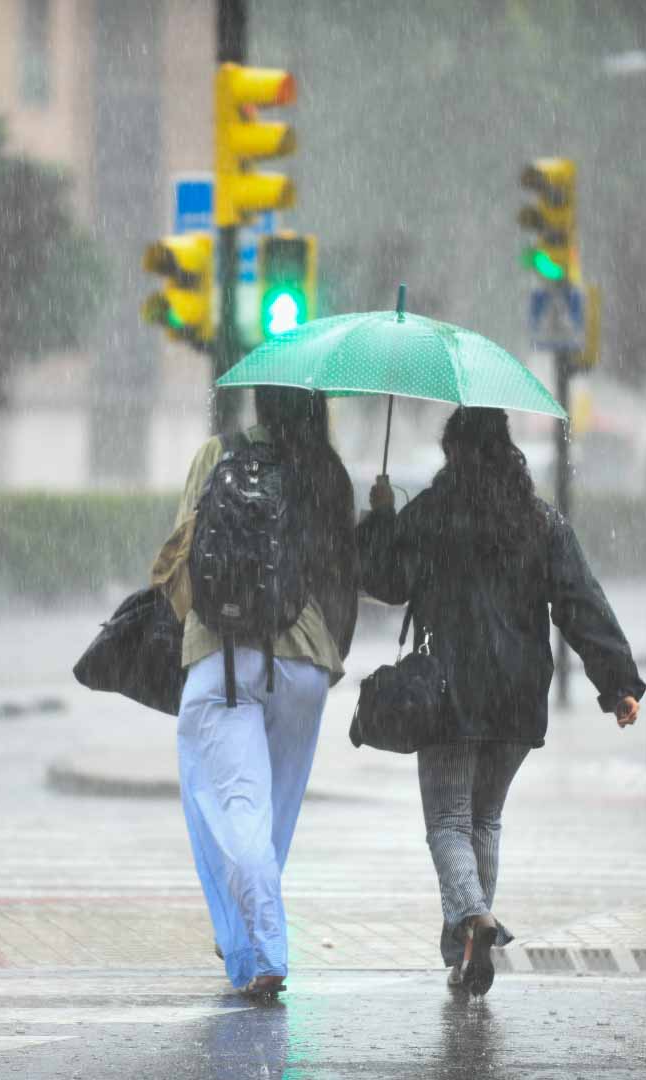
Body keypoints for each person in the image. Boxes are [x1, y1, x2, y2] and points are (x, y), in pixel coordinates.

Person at [357, 406, 644, 996]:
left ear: (454, 453)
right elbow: (579, 601)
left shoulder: (434, 515)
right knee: (484, 819)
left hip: (450, 690)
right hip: (518, 693)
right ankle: (467, 949)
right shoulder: (540, 522)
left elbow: (384, 578)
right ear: (507, 451)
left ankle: (474, 918)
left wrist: (381, 516)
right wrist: (617, 683)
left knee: (448, 823)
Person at [150, 386, 358, 996]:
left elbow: (179, 560)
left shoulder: (216, 455)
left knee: (230, 807)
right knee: (271, 817)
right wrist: (328, 651)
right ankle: (248, 922)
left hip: (222, 656)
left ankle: (262, 947)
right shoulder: (327, 473)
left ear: (260, 403)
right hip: (305, 664)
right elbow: (345, 575)